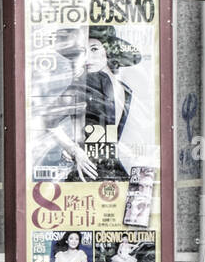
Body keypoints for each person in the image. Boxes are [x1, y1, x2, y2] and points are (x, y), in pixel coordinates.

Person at [37, 25, 142, 182]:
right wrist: (75, 147)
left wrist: (75, 150)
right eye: (83, 52)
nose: (87, 58)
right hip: (114, 173)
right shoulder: (124, 89)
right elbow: (105, 135)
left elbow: (46, 119)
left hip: (89, 174)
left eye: (94, 49)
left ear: (108, 52)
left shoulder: (89, 81)